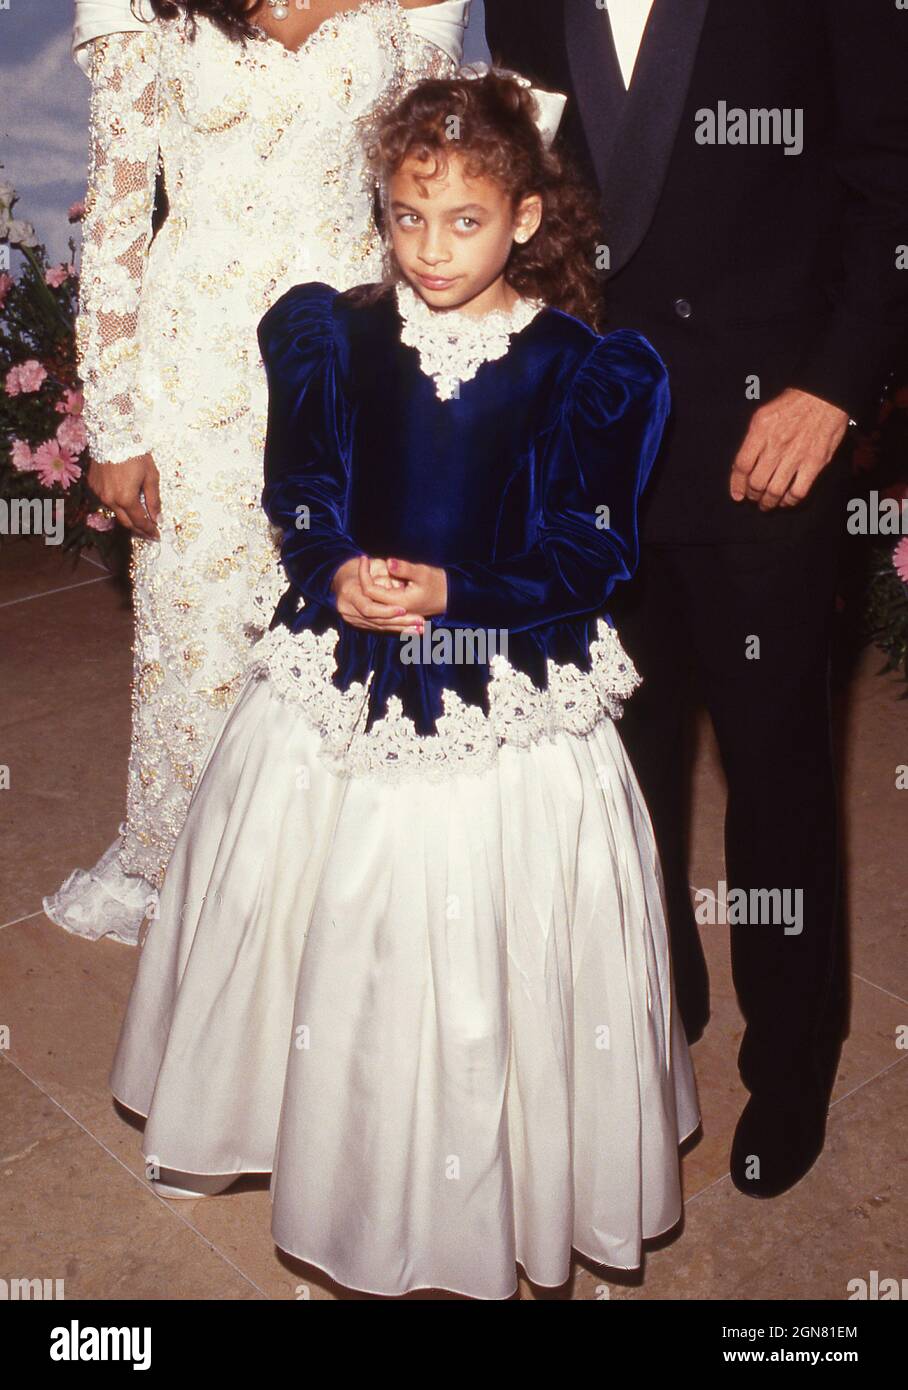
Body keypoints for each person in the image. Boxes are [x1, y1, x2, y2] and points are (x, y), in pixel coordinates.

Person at [105, 70, 699, 1300]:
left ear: (523, 218)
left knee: (474, 944)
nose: (430, 249)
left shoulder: (583, 368)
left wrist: (453, 591)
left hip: (502, 677)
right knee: (316, 917)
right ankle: (288, 1123)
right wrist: (331, 569)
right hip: (343, 664)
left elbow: (589, 550)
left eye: (464, 221)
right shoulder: (334, 334)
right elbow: (302, 490)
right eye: (406, 217)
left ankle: (472, 1186)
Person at [484, 0, 908, 1197]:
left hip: (766, 440)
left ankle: (790, 1063)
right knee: (622, 760)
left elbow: (892, 188)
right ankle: (655, 1002)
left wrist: (833, 389)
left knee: (774, 771)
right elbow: (523, 200)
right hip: (592, 448)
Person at [44, 0, 470, 945]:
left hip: (357, 355)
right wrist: (114, 421)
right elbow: (116, 210)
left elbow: (430, 181)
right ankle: (192, 877)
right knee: (195, 628)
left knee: (346, 616)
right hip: (196, 360)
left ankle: (335, 879)